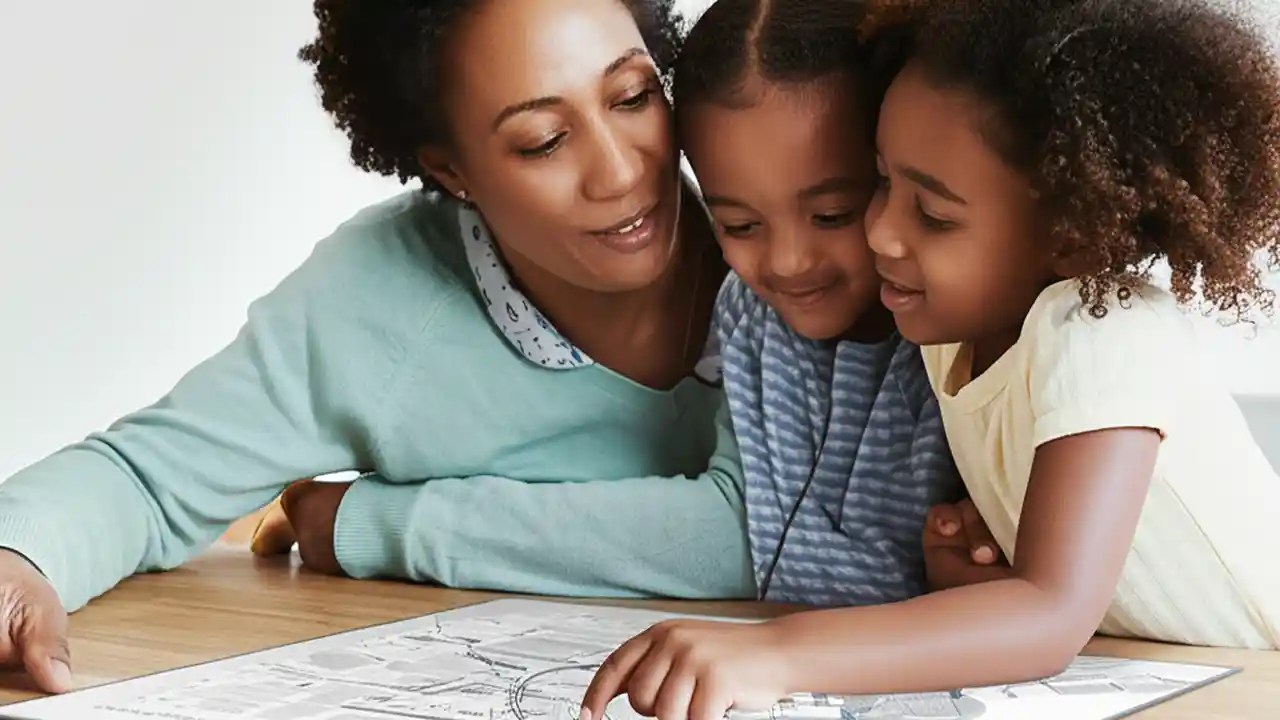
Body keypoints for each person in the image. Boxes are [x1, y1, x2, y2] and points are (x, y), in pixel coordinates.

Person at [0, 0, 766, 695]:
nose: (622, 169)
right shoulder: (376, 301)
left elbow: (759, 531)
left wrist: (376, 527)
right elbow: (143, 479)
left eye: (633, 96)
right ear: (451, 170)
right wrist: (18, 562)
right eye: (543, 140)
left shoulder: (792, 227)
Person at [580, 0, 1280, 716]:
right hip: (1168, 677)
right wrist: (972, 583)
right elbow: (1060, 601)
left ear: (1071, 235)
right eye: (882, 183)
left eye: (934, 215)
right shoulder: (948, 333)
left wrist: (775, 651)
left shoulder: (1104, 330)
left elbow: (1050, 615)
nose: (881, 232)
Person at [669, 0, 964, 610]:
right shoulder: (750, 316)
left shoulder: (956, 341)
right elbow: (783, 554)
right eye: (740, 225)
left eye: (832, 215)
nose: (788, 262)